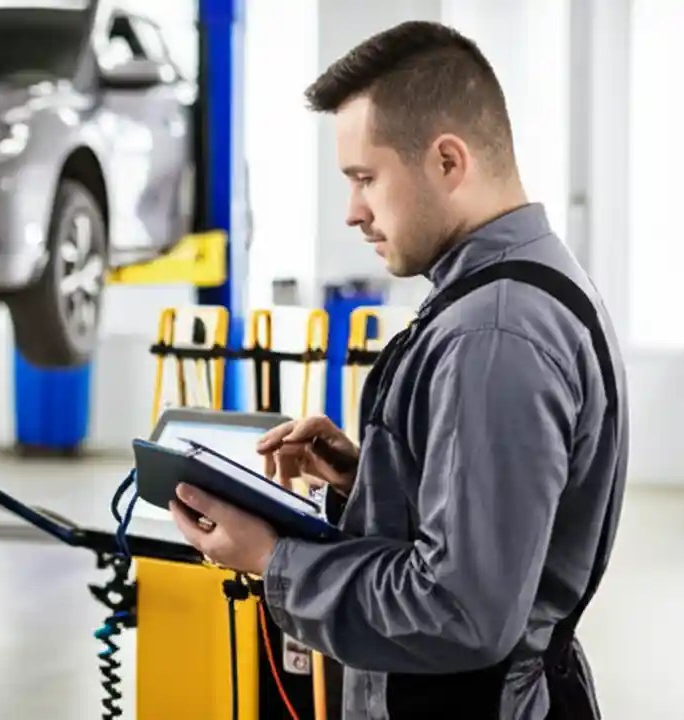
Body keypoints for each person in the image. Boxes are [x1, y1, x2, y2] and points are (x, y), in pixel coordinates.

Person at [166, 19, 629, 720]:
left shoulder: (494, 333)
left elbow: (460, 612)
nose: (353, 212)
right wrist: (375, 479)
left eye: (365, 178)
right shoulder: (516, 287)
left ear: (448, 161)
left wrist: (273, 561)